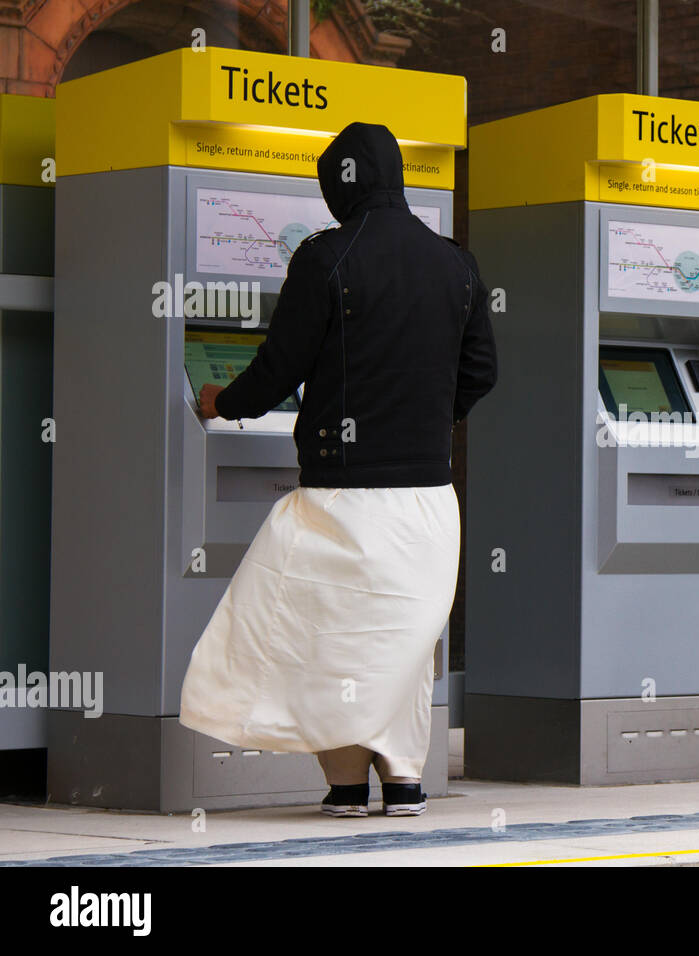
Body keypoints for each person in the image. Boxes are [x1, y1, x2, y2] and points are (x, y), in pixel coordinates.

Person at [179, 121, 497, 818]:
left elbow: (279, 367)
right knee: (400, 644)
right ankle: (404, 780)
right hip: (429, 501)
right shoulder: (457, 265)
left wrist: (221, 402)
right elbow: (481, 373)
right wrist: (423, 419)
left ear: (338, 186)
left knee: (324, 634)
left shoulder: (325, 259)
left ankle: (348, 784)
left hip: (342, 496)